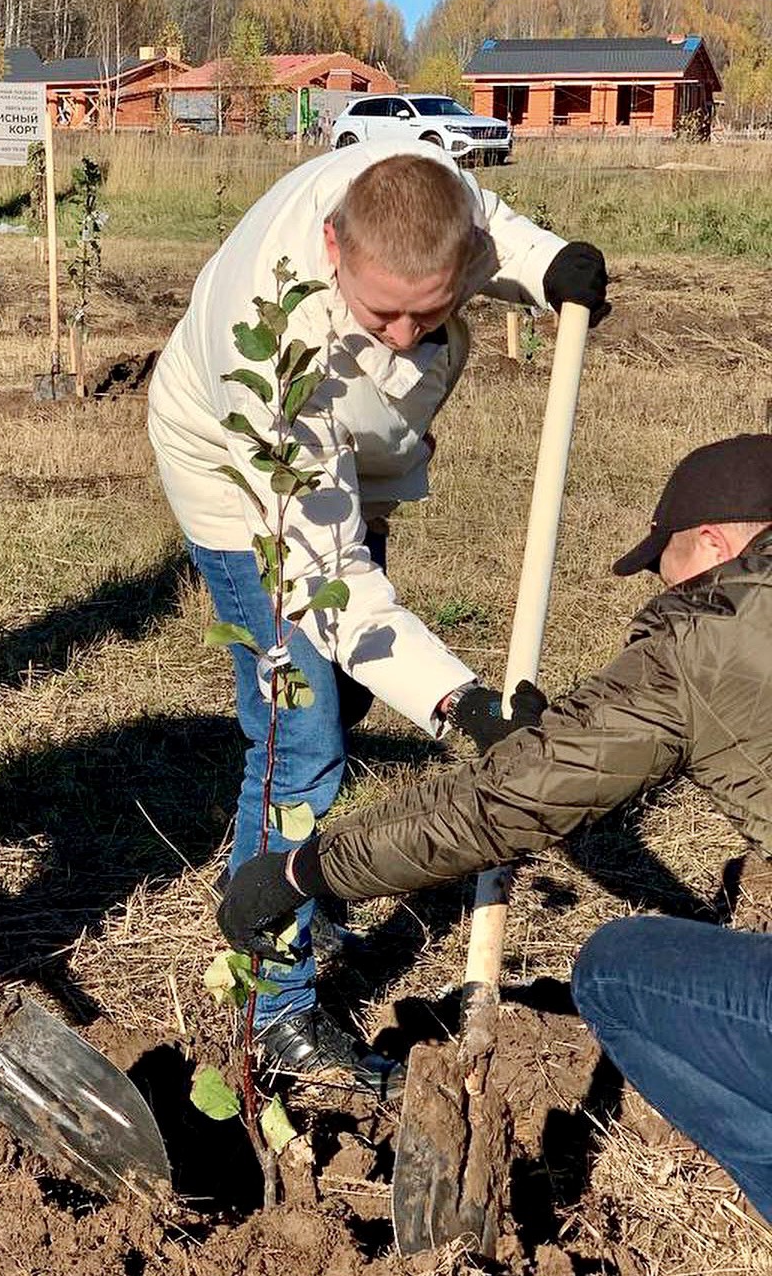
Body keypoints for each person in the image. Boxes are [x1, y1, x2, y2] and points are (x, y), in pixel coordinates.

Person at [147, 140, 608, 1095]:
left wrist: (549, 263)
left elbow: (501, 238)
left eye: (429, 312)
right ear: (330, 247)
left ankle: (313, 886)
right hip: (249, 488)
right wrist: (463, 705)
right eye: (382, 311)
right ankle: (268, 1005)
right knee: (301, 732)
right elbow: (335, 580)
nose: (404, 337)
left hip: (355, 471)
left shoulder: (438, 200)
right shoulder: (269, 346)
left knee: (345, 701)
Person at [219, 432, 772, 1221]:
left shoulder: (706, 637)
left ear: (713, 544)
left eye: (665, 564)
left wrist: (303, 871)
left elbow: (497, 808)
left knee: (614, 971)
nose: (661, 586)